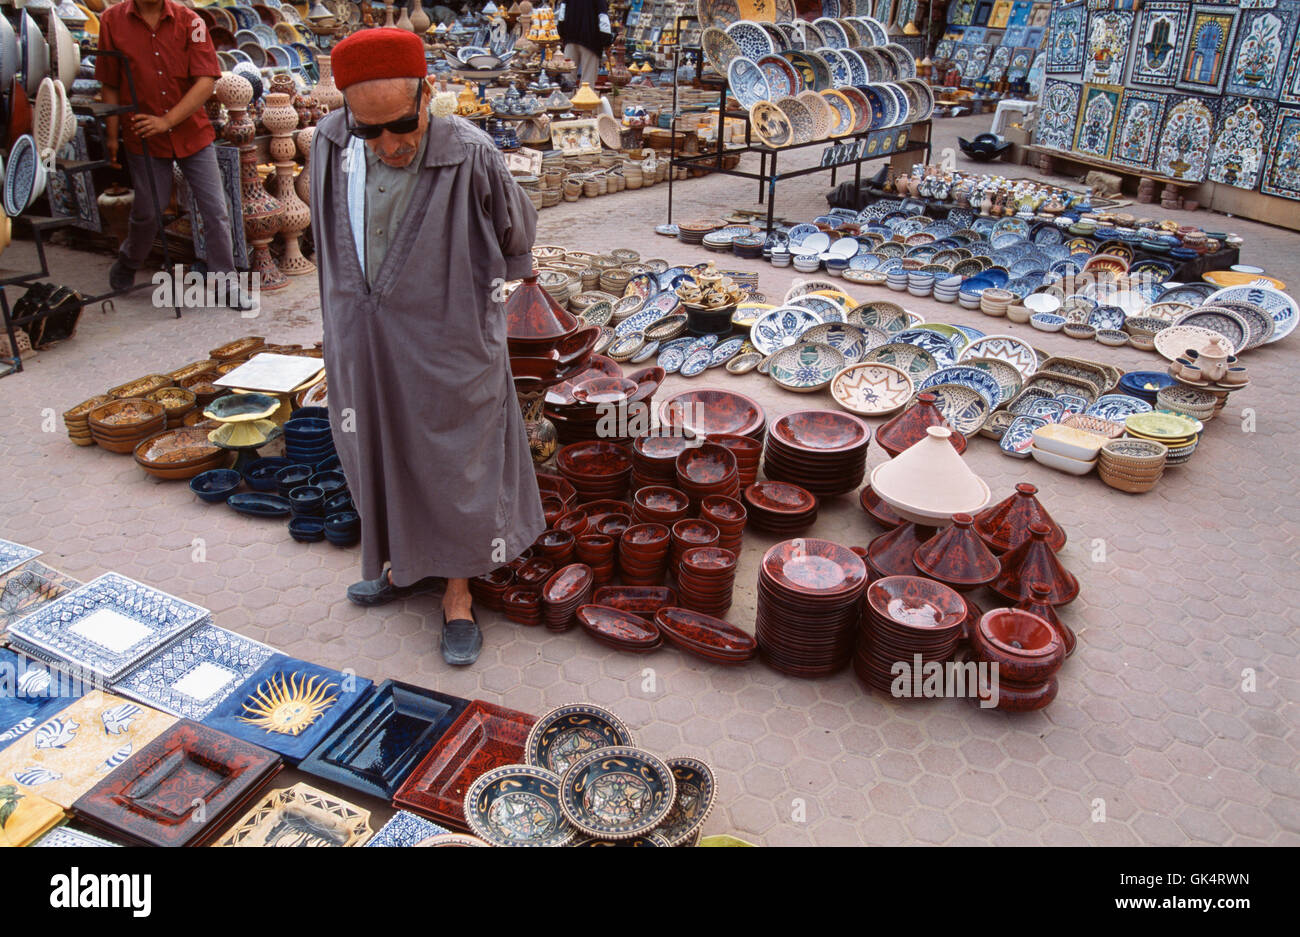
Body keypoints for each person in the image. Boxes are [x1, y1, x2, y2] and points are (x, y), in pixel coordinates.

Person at [309, 28, 545, 666]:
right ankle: (400, 565)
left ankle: (459, 593)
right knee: (373, 445)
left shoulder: (469, 152)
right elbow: (327, 236)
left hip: (448, 339)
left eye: (402, 126)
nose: (389, 145)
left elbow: (516, 233)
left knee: (454, 458)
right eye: (371, 131)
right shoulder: (329, 142)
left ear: (429, 94)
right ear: (348, 115)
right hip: (362, 337)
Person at [95, 0, 251, 309]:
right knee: (149, 211)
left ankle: (226, 281)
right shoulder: (112, 21)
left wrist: (167, 120)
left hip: (191, 131)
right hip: (143, 133)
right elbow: (110, 83)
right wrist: (112, 137)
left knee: (215, 209)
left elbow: (207, 81)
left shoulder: (190, 22)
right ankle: (130, 259)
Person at [557, 0, 612, 86]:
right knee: (587, 81)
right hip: (591, 42)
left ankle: (566, 97)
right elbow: (603, 19)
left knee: (567, 77)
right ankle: (585, 98)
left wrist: (562, 33)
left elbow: (561, 15)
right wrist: (607, 41)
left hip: (571, 38)